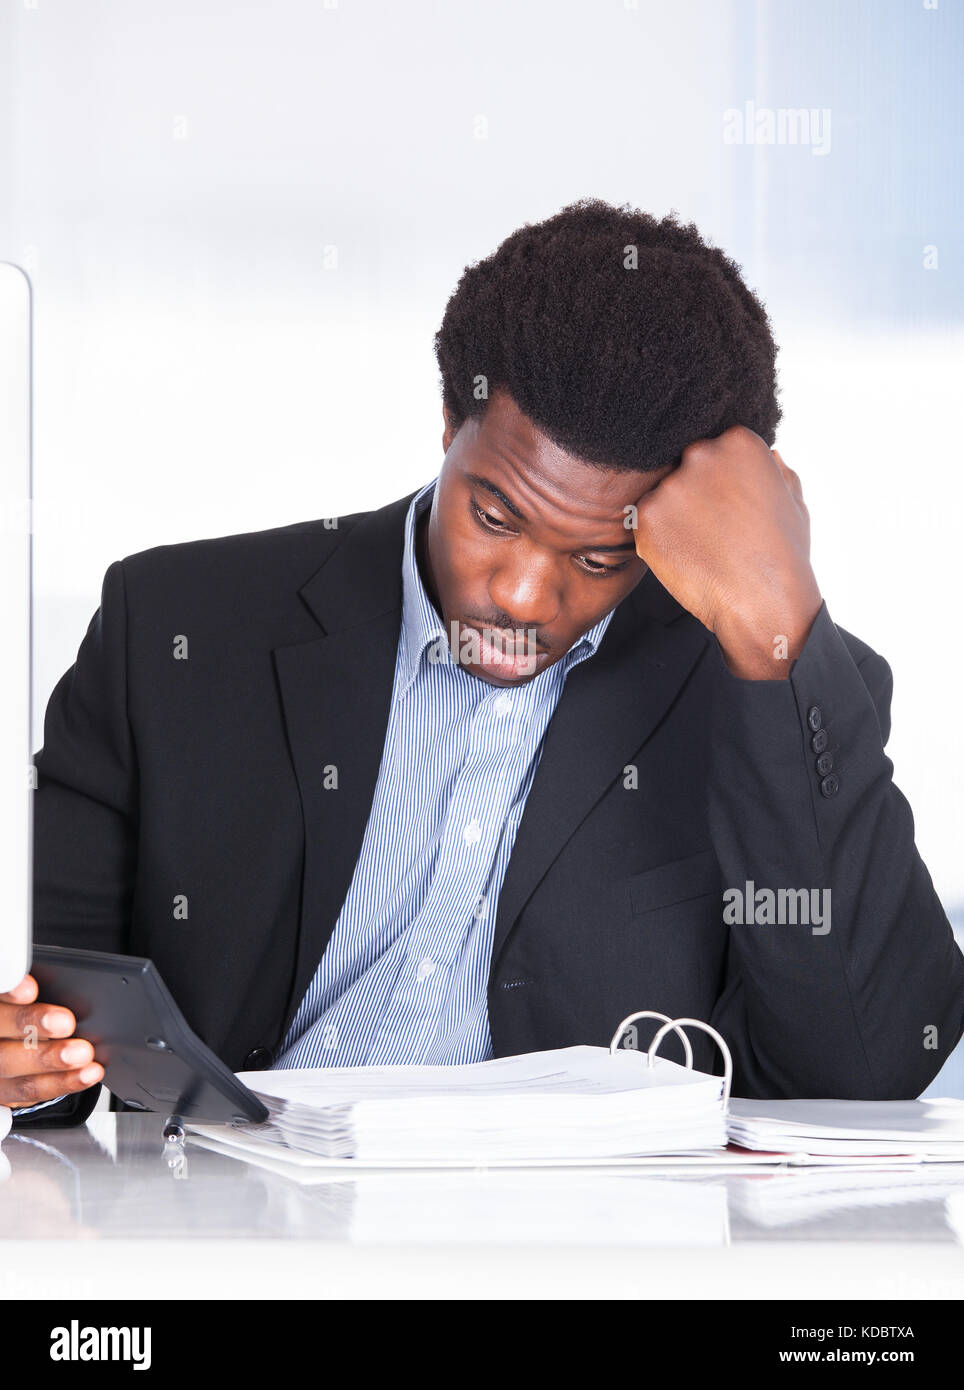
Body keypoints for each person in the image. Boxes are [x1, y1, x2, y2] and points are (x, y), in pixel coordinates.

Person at [5, 197, 963, 1127]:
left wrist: (776, 623)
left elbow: (867, 1071)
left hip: (575, 1265)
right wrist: (28, 1059)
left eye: (598, 557)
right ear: (447, 433)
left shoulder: (764, 688)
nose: (523, 596)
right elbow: (48, 994)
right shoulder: (179, 628)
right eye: (494, 517)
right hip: (227, 1237)